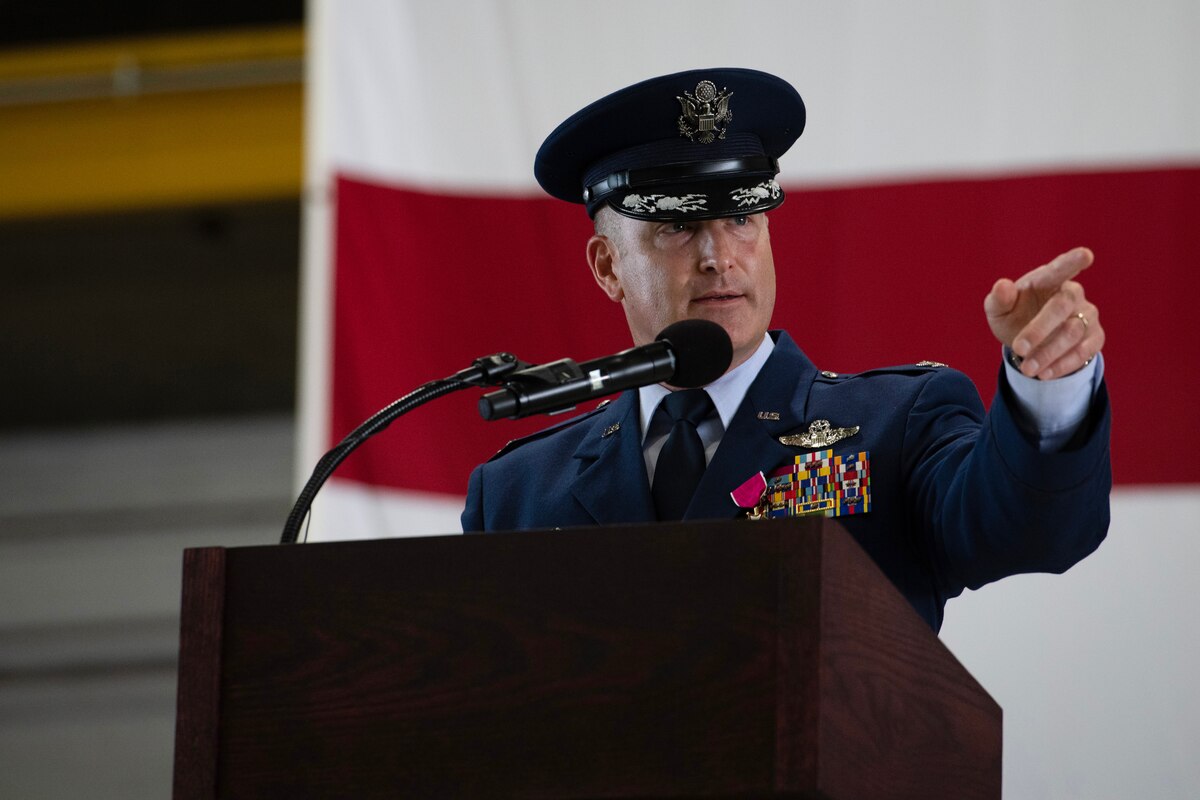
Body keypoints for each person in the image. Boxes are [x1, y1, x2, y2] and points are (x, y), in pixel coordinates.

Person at [460, 68, 1111, 631]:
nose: (720, 257)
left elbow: (1026, 531)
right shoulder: (516, 493)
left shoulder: (897, 424)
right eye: (680, 226)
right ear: (607, 266)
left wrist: (1047, 389)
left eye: (742, 217)